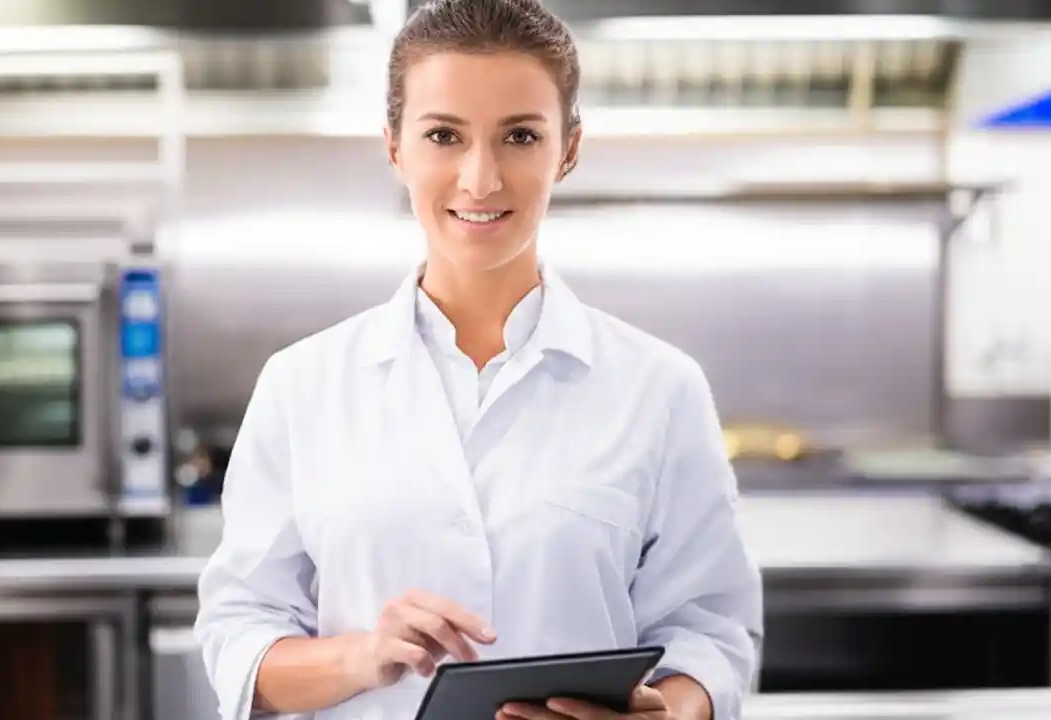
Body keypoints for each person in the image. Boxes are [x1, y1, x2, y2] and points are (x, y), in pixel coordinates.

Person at [193, 1, 764, 718]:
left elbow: (711, 633)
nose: (480, 179)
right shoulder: (302, 385)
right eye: (443, 136)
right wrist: (362, 655)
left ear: (569, 147)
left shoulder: (660, 387)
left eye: (520, 136)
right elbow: (238, 637)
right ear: (395, 146)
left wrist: (674, 713)